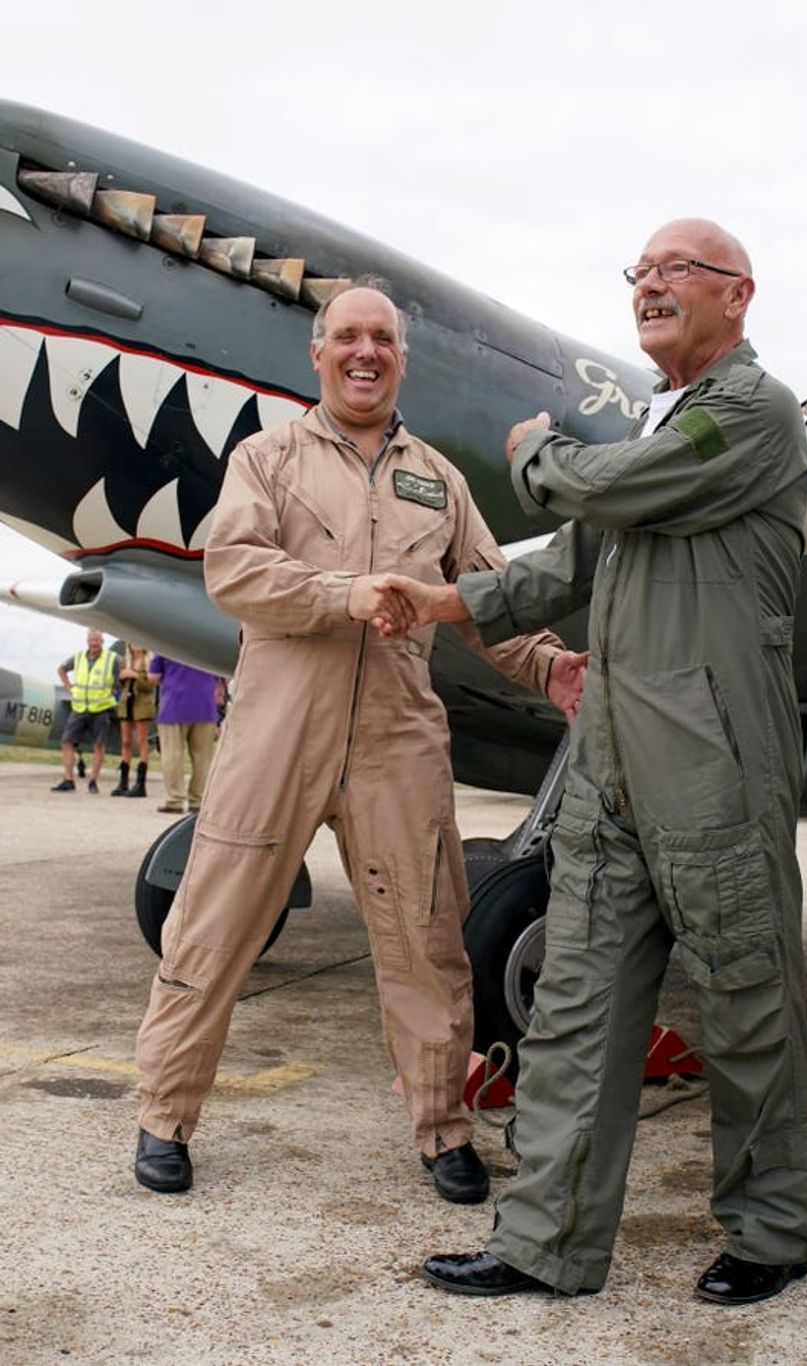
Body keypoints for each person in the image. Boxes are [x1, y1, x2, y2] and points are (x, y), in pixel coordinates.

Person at [379, 220, 807, 1306]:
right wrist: (445, 602)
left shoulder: (748, 413)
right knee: (575, 1006)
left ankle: (770, 1232)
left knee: (744, 1003)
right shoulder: (656, 431)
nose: (650, 285)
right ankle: (545, 1243)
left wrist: (535, 452)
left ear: (739, 294)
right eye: (641, 273)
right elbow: (566, 565)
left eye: (678, 270)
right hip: (611, 762)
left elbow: (606, 490)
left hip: (713, 764)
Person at [132, 283, 586, 1202]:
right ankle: (164, 1117)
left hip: (397, 740)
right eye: (347, 337)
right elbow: (235, 570)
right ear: (319, 354)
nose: (365, 352)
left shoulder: (439, 481)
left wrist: (548, 668)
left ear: (401, 360)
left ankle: (443, 1128)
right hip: (277, 734)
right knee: (212, 929)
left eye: (382, 338)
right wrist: (345, 594)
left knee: (427, 940)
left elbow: (485, 598)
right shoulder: (267, 457)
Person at [147, 655, 222, 814]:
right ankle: (198, 800)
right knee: (203, 758)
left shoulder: (165, 645)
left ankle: (175, 800)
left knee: (172, 756)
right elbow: (220, 677)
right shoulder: (209, 647)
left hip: (173, 705)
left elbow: (153, 677)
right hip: (205, 706)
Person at [51, 630, 120, 794]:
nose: (94, 643)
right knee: (67, 741)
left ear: (102, 642)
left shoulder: (112, 659)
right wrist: (69, 687)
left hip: (100, 709)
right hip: (79, 707)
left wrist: (113, 693)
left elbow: (120, 677)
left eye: (97, 640)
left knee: (99, 745)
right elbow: (61, 669)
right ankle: (68, 780)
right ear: (88, 642)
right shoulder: (79, 657)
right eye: (92, 640)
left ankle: (93, 781)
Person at [111, 643, 156, 798]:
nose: (135, 645)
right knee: (125, 742)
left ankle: (140, 783)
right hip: (126, 704)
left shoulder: (149, 661)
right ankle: (123, 782)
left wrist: (135, 676)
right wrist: (122, 677)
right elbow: (119, 684)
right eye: (132, 642)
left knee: (142, 741)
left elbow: (150, 686)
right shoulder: (126, 661)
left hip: (141, 704)